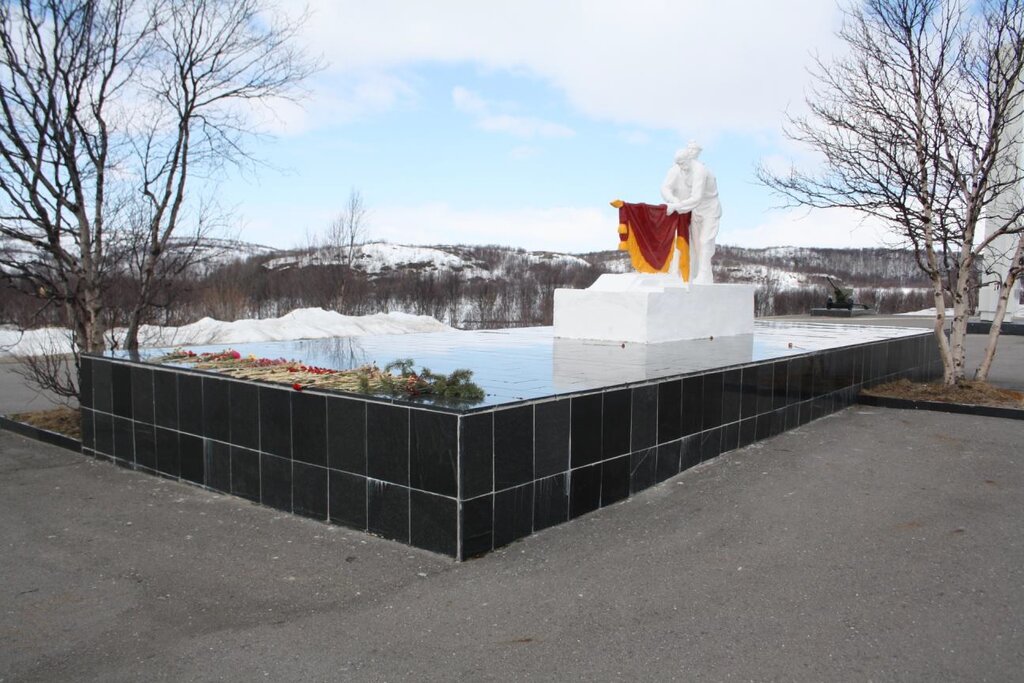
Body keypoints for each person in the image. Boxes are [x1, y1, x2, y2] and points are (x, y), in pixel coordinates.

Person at [661, 142, 721, 284]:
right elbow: (665, 188)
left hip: (709, 209)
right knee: (696, 245)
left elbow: (696, 198)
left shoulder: (700, 171)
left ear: (690, 158)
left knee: (705, 241)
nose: (681, 167)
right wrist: (673, 199)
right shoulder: (679, 169)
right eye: (679, 164)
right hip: (695, 211)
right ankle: (694, 274)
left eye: (682, 163)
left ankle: (705, 276)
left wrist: (676, 206)